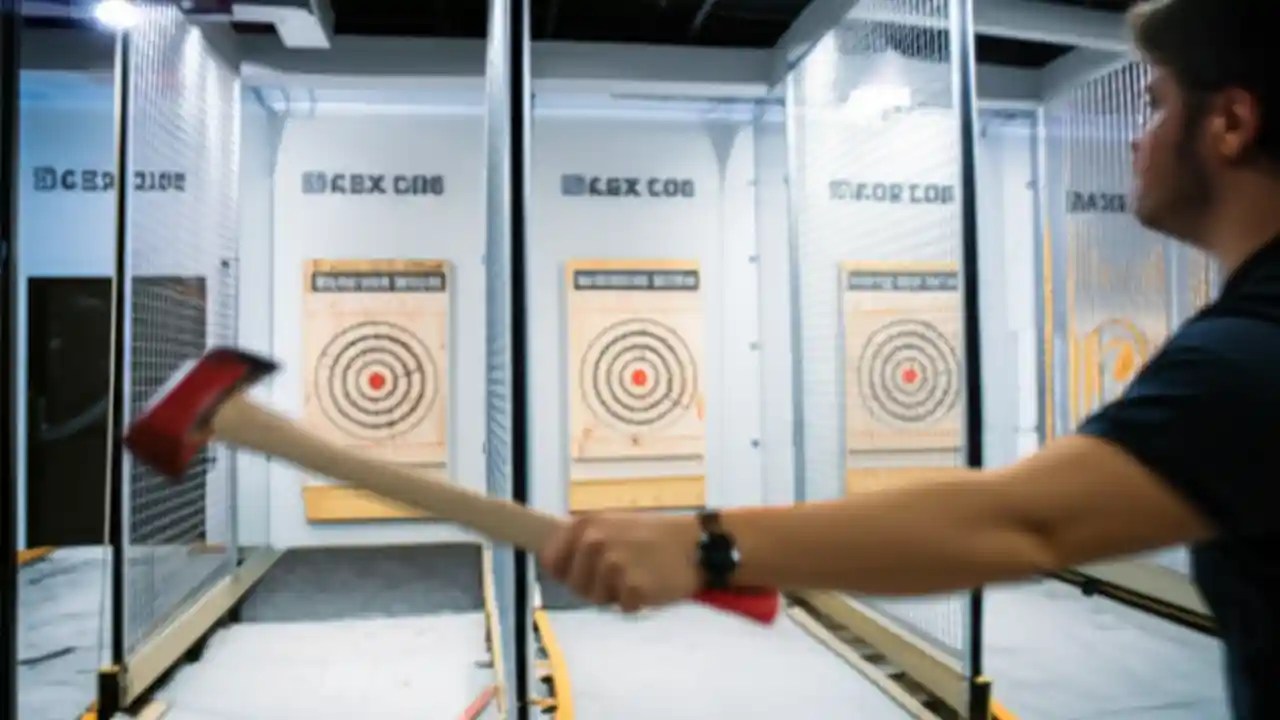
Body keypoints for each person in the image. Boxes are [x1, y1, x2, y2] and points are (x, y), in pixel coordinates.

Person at [536, 0, 1280, 717]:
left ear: (1231, 123)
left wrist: (704, 548)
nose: (1135, 137)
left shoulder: (1243, 359)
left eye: (1155, 105)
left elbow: (1020, 524)